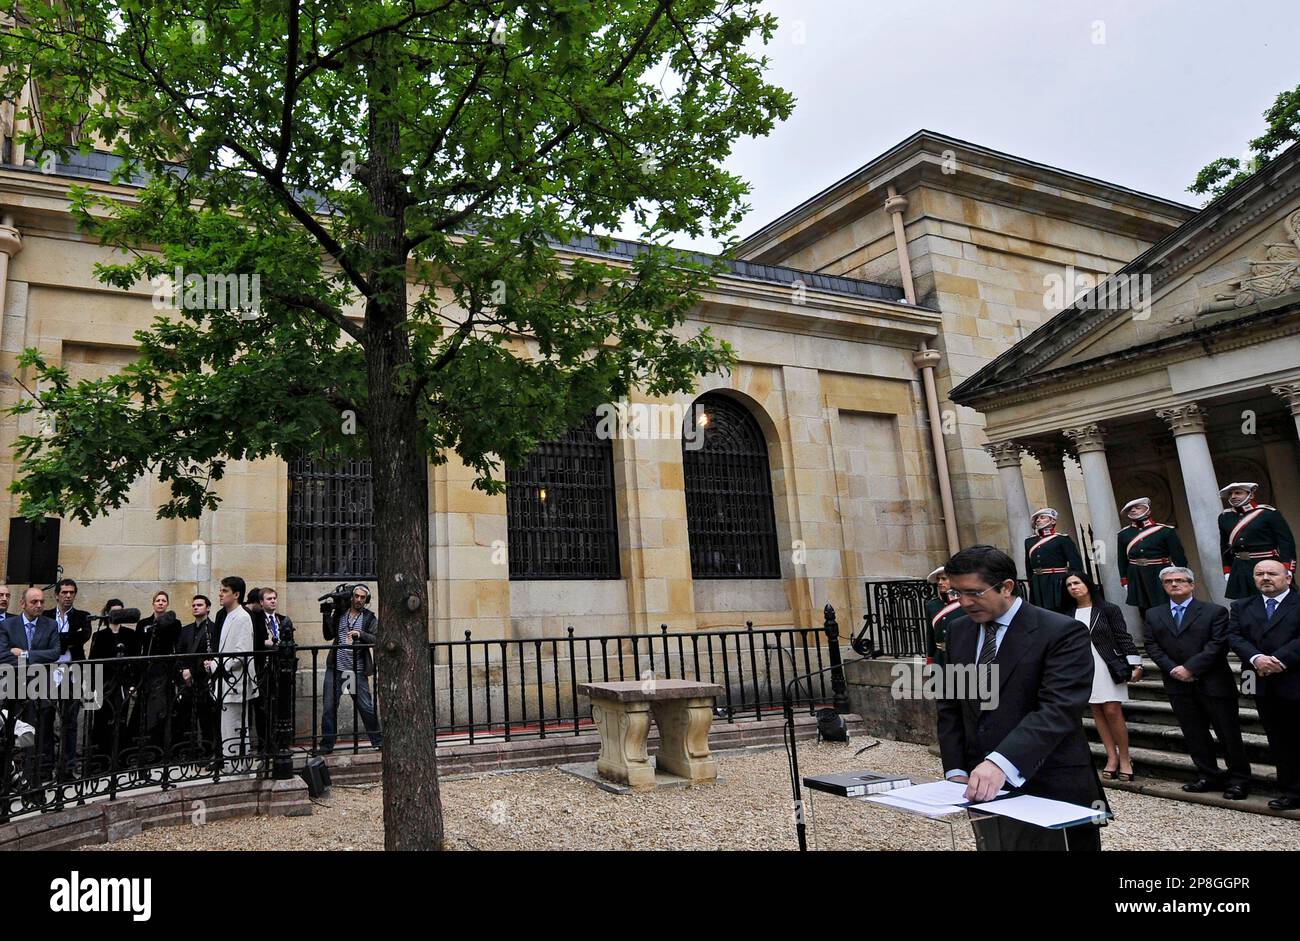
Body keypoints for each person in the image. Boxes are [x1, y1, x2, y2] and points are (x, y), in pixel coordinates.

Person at [936, 545, 1105, 851]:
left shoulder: (1061, 631)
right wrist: (956, 769)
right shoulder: (959, 631)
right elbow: (951, 704)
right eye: (957, 593)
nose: (963, 602)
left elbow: (1058, 708)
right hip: (982, 790)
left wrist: (1001, 762)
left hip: (1050, 784)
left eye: (973, 592)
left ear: (1007, 587)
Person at [1143, 566, 1250, 800]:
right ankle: (1208, 775)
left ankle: (1239, 779)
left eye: (1180, 580)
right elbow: (1151, 645)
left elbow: (1218, 644)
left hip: (1213, 682)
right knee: (1194, 733)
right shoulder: (1153, 614)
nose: (1174, 584)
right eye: (1169, 581)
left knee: (1228, 734)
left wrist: (1190, 668)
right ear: (1163, 586)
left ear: (1192, 585)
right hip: (1177, 684)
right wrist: (1173, 669)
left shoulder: (1215, 612)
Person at [1228, 560, 1300, 811]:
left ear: (1288, 578)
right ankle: (1291, 791)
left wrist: (1281, 659)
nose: (1265, 577)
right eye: (1260, 574)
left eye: (1272, 573)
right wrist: (1257, 658)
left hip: (1294, 677)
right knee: (1278, 739)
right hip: (1260, 681)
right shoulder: (1241, 606)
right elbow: (1234, 636)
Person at [1061, 570, 1142, 782]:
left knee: (1112, 710)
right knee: (1096, 710)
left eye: (1077, 583)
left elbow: (1122, 636)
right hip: (1082, 667)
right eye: (1069, 585)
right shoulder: (1067, 614)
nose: (1073, 587)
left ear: (1087, 584)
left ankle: (1125, 759)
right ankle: (1111, 757)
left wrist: (1135, 663)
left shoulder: (1108, 609)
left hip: (1108, 664)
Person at [0, 587, 62, 785]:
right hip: (14, 689)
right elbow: (3, 656)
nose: (39, 605)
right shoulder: (8, 626)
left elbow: (54, 653)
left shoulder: (50, 625)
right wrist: (33, 659)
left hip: (39, 689)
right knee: (15, 736)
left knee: (38, 735)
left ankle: (32, 779)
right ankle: (11, 778)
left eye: (42, 602)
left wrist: (24, 654)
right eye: (34, 602)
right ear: (23, 603)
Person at [319, 584, 382, 754]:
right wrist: (326, 615)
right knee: (329, 707)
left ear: (366, 600)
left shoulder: (369, 618)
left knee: (365, 707)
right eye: (356, 596)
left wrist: (360, 634)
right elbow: (328, 635)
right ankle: (327, 745)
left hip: (356, 670)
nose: (359, 600)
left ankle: (378, 741)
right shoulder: (341, 614)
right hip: (336, 668)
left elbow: (377, 639)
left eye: (362, 597)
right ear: (352, 597)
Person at [44, 577, 93, 779]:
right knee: (46, 719)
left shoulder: (83, 616)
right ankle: (46, 766)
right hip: (47, 673)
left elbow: (82, 637)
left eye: (71, 592)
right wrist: (65, 641)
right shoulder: (46, 616)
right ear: (56, 594)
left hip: (71, 672)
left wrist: (58, 642)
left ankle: (68, 766)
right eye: (64, 592)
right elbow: (42, 640)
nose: (67, 596)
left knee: (70, 721)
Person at [209, 576, 256, 773]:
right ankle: (234, 765)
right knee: (229, 726)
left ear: (236, 594)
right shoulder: (228, 615)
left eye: (225, 591)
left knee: (235, 726)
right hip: (227, 681)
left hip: (235, 681)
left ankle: (236, 766)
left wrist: (215, 665)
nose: (220, 594)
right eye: (220, 590)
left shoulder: (243, 617)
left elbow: (241, 654)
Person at [1219, 482, 1296, 600]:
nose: (1233, 496)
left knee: (1279, 601)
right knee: (1247, 605)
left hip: (1269, 563)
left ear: (1250, 495)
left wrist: (1287, 567)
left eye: (1238, 493)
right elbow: (1224, 546)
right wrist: (1227, 569)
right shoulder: (1225, 517)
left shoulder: (1268, 514)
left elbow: (1286, 542)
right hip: (1240, 567)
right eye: (1230, 494)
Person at [87, 599, 141, 766]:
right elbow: (93, 661)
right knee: (103, 720)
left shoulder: (130, 635)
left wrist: (132, 683)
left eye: (121, 612)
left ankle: (121, 758)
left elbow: (135, 660)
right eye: (114, 611)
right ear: (108, 613)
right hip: (105, 683)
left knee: (122, 719)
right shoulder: (100, 635)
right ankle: (102, 759)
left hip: (123, 683)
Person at [1116, 497, 1188, 612]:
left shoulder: (1165, 531)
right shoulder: (1123, 534)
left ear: (1148, 510)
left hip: (1160, 572)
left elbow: (1179, 557)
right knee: (1145, 611)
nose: (1133, 510)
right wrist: (1124, 580)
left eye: (1138, 508)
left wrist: (1180, 576)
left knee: (1167, 607)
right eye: (1130, 509)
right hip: (1136, 574)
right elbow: (1122, 560)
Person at [176, 595, 219, 760]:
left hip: (203, 680)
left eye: (199, 605)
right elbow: (179, 653)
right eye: (193, 605)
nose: (195, 607)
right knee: (186, 718)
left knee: (205, 718)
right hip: (186, 681)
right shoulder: (185, 630)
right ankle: (188, 751)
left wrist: (192, 671)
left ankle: (207, 751)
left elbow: (211, 655)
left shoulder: (213, 630)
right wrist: (183, 671)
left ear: (208, 608)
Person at [1024, 508, 1084, 614]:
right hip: (1038, 581)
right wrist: (1031, 581)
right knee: (1040, 612)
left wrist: (1073, 580)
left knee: (1061, 610)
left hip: (1057, 580)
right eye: (1037, 518)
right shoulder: (1029, 541)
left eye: (1042, 517)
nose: (1038, 520)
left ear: (1052, 521)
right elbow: (1028, 564)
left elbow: (1075, 562)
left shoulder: (1062, 539)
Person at [924, 566, 960, 665]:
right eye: (938, 579)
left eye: (944, 579)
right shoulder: (931, 605)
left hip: (960, 656)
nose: (940, 582)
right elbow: (930, 634)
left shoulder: (963, 603)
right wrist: (930, 658)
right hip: (939, 658)